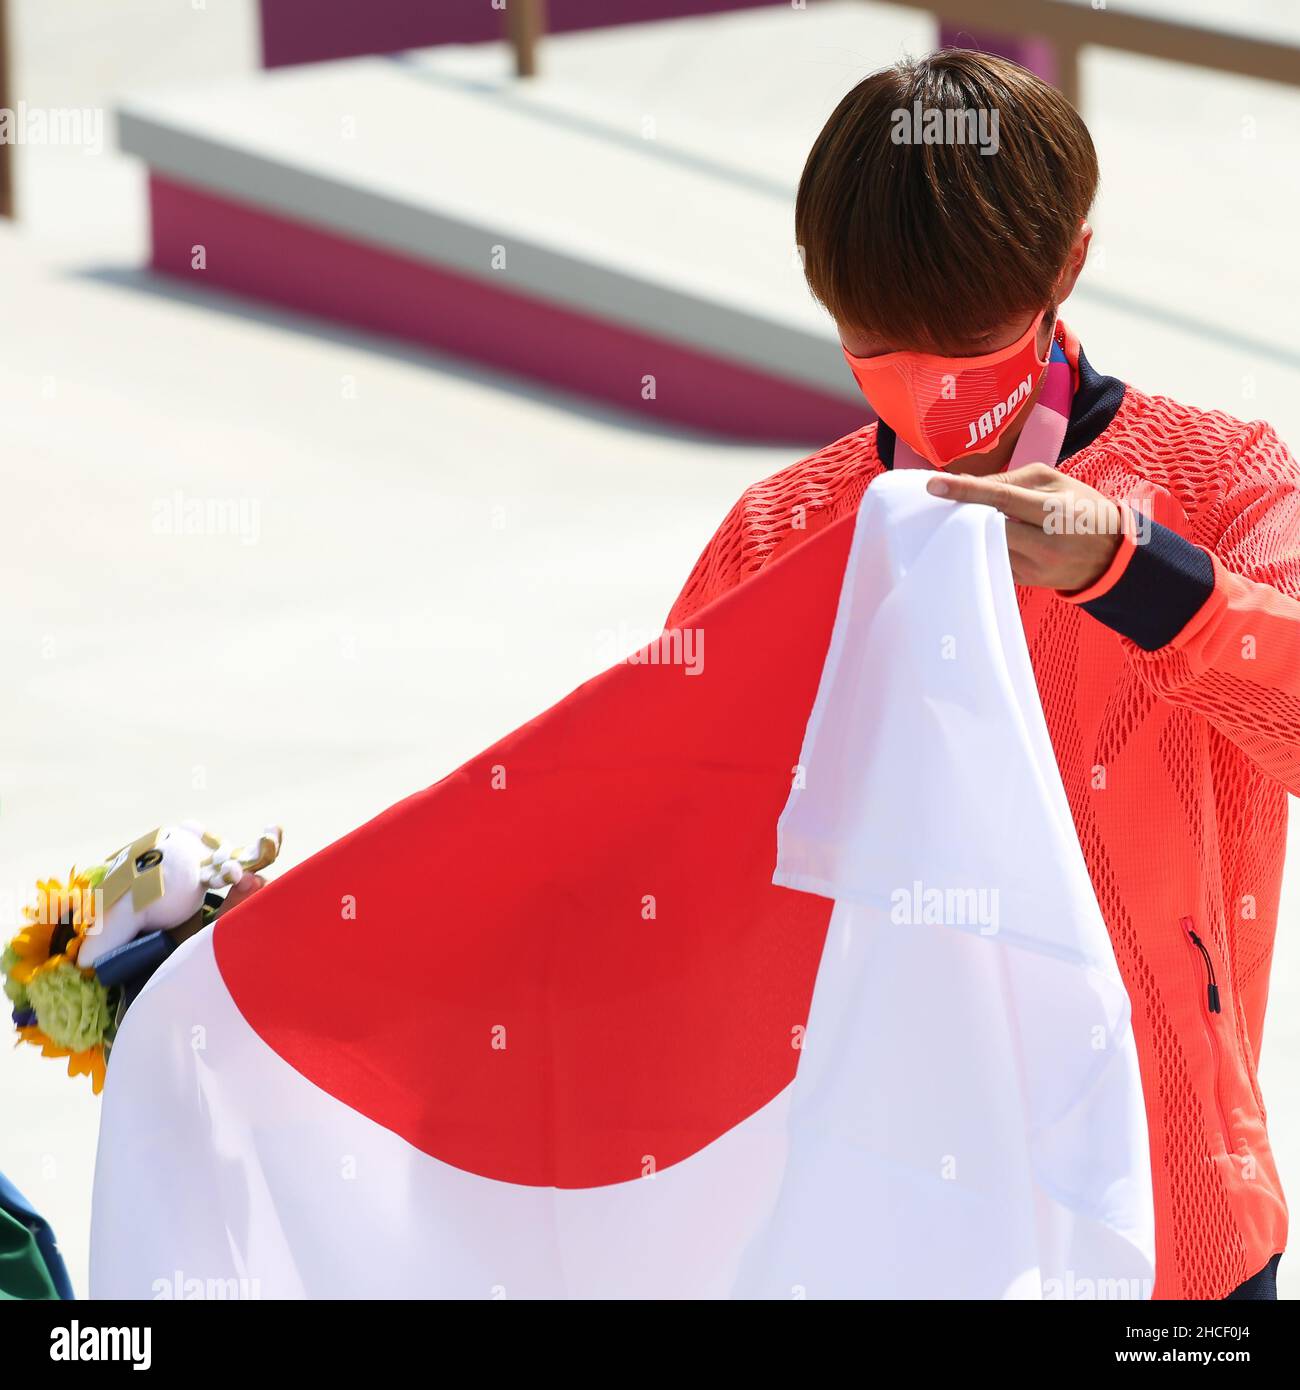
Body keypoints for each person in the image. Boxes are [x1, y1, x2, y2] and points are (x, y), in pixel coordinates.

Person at [665, 49, 1298, 1301]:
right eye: (874, 342)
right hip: (877, 1224)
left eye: (962, 339)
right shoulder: (783, 532)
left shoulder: (1219, 487)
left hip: (1178, 1226)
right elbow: (649, 835)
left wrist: (1135, 576)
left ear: (1066, 265)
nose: (928, 385)